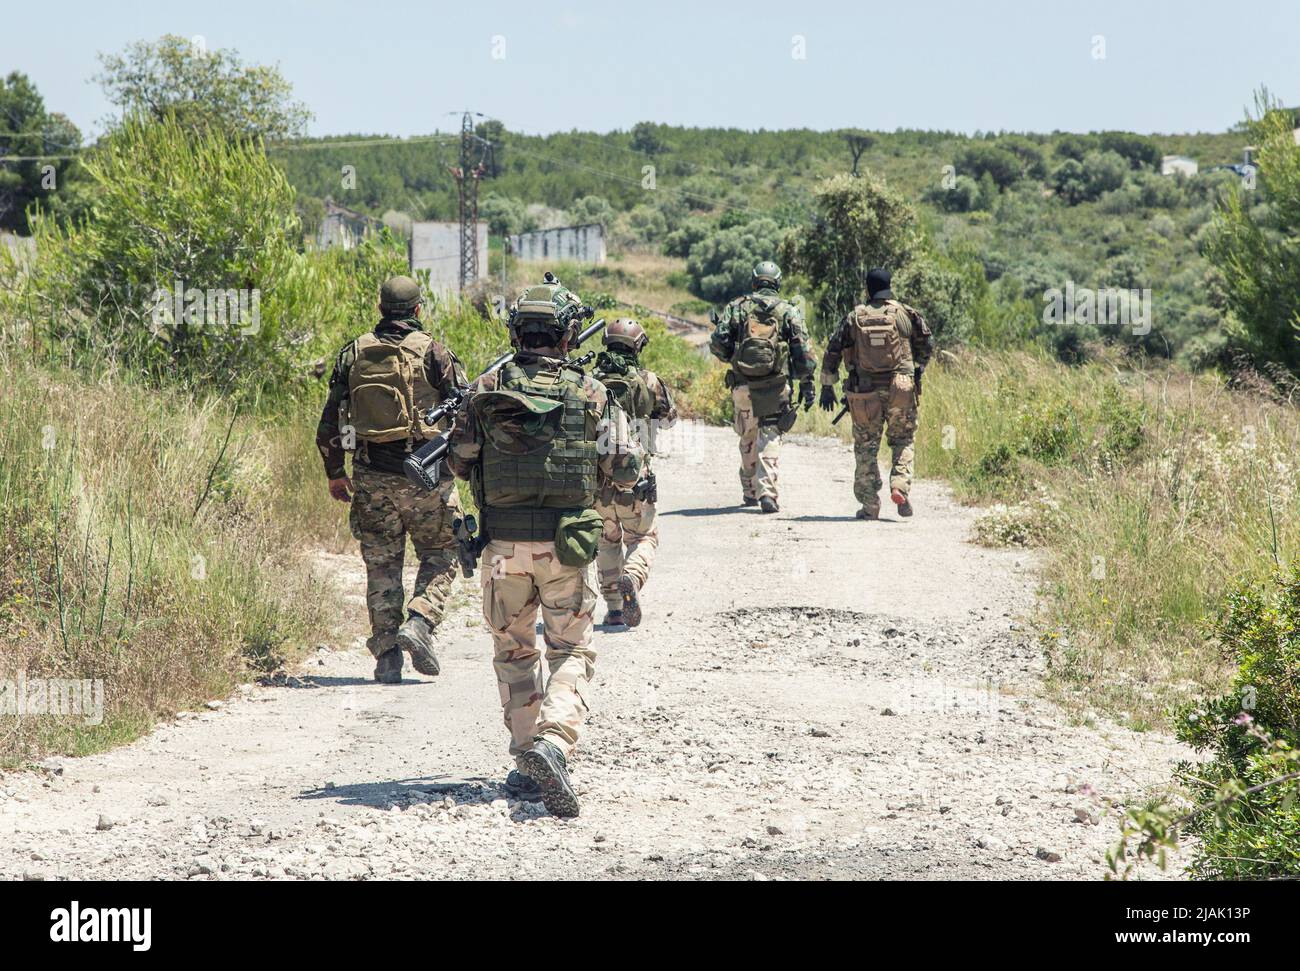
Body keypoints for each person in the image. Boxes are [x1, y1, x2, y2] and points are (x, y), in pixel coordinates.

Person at [446, 275, 642, 817]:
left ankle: (527, 761)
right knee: (571, 649)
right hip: (567, 545)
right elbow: (626, 466)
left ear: (519, 330)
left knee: (513, 651)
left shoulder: (487, 386)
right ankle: (554, 743)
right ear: (564, 336)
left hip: (502, 545)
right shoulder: (592, 391)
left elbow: (459, 462)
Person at [315, 275, 466, 684]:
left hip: (370, 477)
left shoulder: (355, 353)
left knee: (381, 565)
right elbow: (465, 416)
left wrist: (335, 473)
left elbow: (330, 422)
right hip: (426, 477)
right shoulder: (435, 353)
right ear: (419, 310)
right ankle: (420, 621)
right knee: (442, 552)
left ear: (380, 308)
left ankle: (386, 656)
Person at [818, 267, 933, 519]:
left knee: (866, 447)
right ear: (889, 285)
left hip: (864, 392)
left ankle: (870, 505)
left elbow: (833, 349)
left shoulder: (855, 316)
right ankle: (900, 486)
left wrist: (827, 385)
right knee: (902, 440)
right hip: (900, 389)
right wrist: (917, 370)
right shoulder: (905, 313)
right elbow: (927, 344)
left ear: (867, 288)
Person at [590, 318, 677, 629]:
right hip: (636, 480)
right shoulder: (648, 380)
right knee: (644, 536)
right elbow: (668, 420)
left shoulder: (589, 382)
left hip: (597, 482)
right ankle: (633, 577)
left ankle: (614, 608)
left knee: (606, 541)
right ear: (638, 346)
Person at [708, 260, 814, 513]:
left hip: (743, 384)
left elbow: (718, 344)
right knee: (770, 435)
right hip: (775, 385)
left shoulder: (737, 307)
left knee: (748, 436)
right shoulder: (789, 310)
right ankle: (767, 491)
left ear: (754, 282)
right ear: (777, 283)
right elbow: (804, 353)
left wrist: (735, 357)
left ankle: (749, 490)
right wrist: (808, 385)